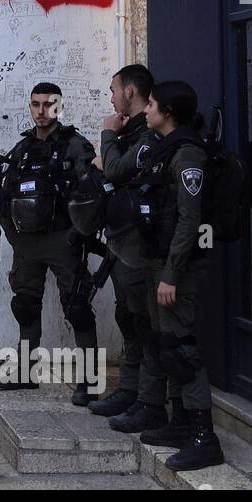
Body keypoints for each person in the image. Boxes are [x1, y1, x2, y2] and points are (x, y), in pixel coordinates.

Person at [117, 80, 224, 470]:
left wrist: (172, 275)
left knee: (182, 348)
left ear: (169, 112)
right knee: (165, 342)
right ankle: (179, 422)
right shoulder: (163, 148)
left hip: (176, 268)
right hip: (156, 261)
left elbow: (188, 221)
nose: (146, 110)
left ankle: (203, 436)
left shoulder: (189, 155)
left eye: (153, 106)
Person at [0, 82, 100, 406]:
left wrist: (76, 235)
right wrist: (12, 236)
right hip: (28, 242)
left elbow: (93, 194)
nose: (41, 111)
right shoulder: (22, 149)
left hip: (61, 238)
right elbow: (4, 195)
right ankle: (25, 370)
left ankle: (89, 381)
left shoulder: (75, 146)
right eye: (35, 104)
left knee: (78, 308)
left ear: (59, 107)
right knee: (24, 306)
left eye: (48, 104)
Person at [88, 64, 167, 421]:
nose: (112, 97)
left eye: (113, 90)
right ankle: (130, 390)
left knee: (144, 322)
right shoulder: (131, 131)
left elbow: (117, 169)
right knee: (128, 317)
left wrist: (106, 138)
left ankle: (148, 401)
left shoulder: (147, 137)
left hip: (141, 244)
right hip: (122, 240)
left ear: (130, 92)